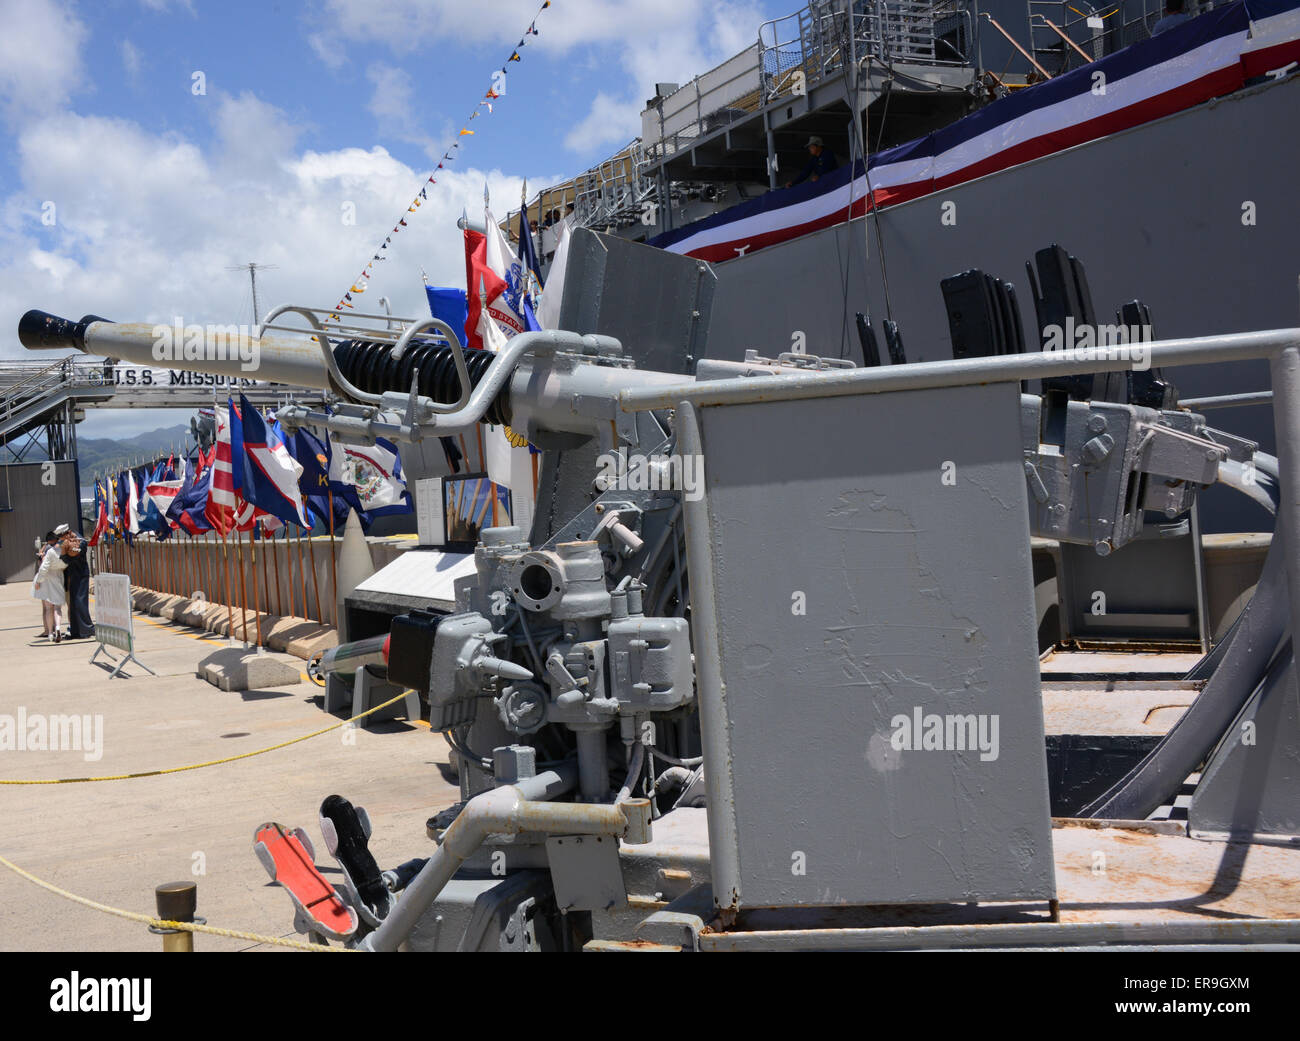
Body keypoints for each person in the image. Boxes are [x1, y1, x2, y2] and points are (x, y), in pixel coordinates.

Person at [32, 530, 68, 642]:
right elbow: (65, 564)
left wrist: (38, 581)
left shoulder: (50, 552)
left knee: (48, 608)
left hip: (48, 580)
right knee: (57, 607)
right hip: (59, 577)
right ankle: (58, 628)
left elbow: (43, 568)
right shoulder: (63, 551)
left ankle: (50, 634)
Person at [60, 527, 94, 639]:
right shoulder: (69, 542)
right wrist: (64, 552)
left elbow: (71, 557)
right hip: (73, 575)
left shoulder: (81, 542)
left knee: (80, 602)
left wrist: (66, 553)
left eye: (63, 536)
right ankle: (76, 631)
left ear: (69, 533)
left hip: (81, 576)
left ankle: (87, 629)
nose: (63, 539)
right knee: (74, 603)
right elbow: (64, 559)